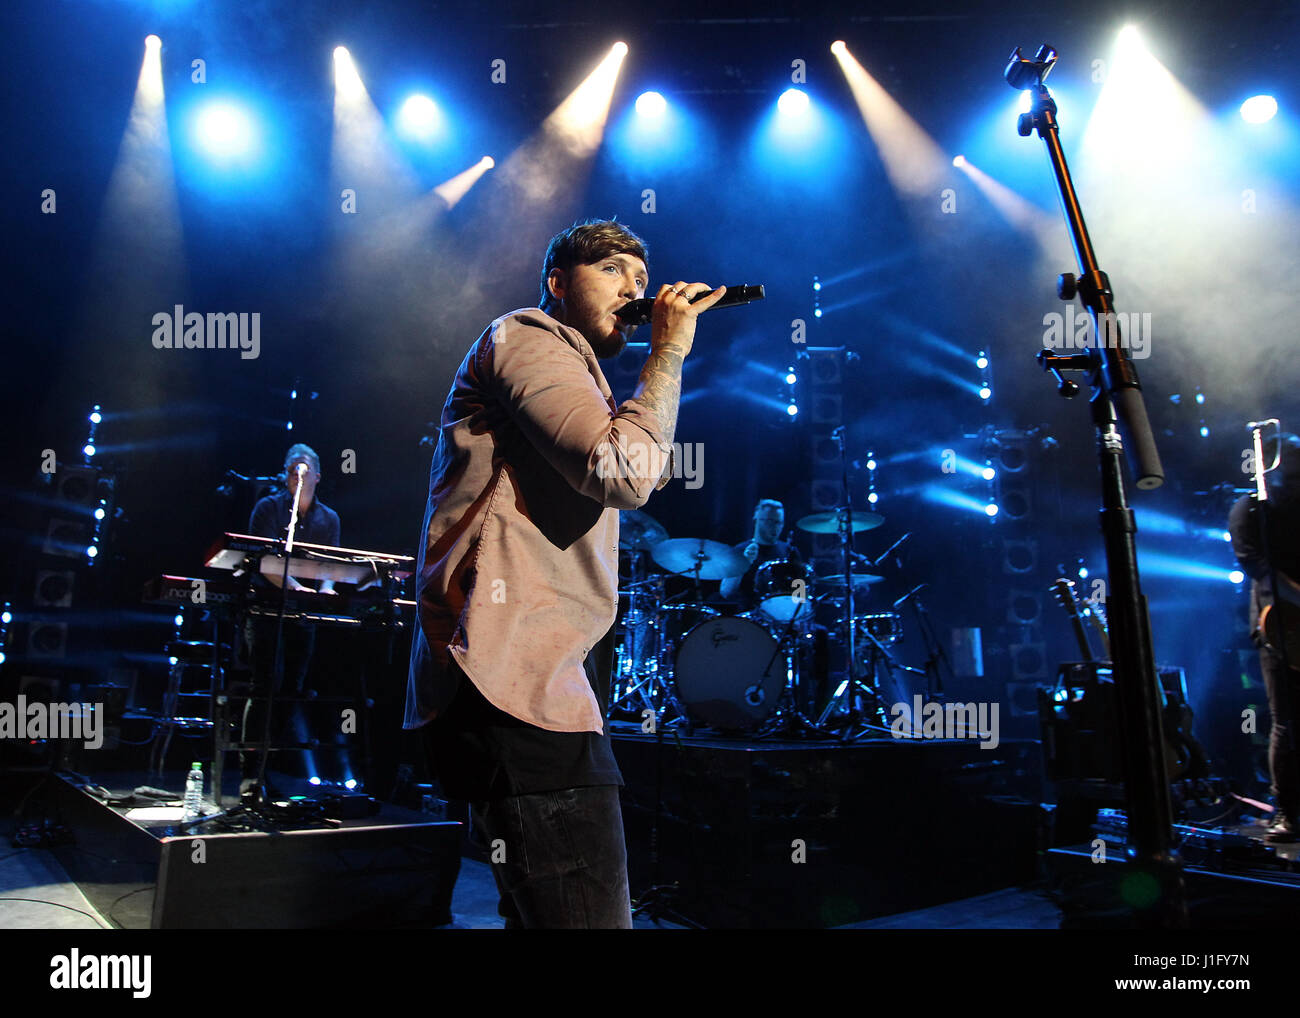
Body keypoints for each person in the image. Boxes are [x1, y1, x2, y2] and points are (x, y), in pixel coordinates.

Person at [405, 219, 724, 928]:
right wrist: (669, 355)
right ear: (557, 282)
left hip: (525, 674)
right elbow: (626, 472)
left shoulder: (581, 377)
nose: (634, 291)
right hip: (508, 672)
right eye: (611, 271)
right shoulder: (527, 336)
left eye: (641, 280)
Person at [241, 443, 341, 798]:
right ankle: (250, 770)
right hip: (265, 608)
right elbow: (263, 561)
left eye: (304, 468)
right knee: (264, 683)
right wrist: (298, 587)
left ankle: (271, 765)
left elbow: (329, 565)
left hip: (303, 614)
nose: (297, 475)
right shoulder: (268, 508)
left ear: (318, 475)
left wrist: (326, 589)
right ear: (285, 476)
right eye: (291, 469)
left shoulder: (329, 518)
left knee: (292, 688)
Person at [1229, 432, 1300, 842]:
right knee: (1288, 721)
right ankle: (1288, 811)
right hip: (1279, 626)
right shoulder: (1249, 510)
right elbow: (1255, 565)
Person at [720, 498, 802, 611]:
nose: (774, 527)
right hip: (749, 615)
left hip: (784, 615)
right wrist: (743, 563)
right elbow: (726, 592)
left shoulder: (789, 551)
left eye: (778, 522)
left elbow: (801, 590)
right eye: (769, 521)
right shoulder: (740, 550)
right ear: (756, 519)